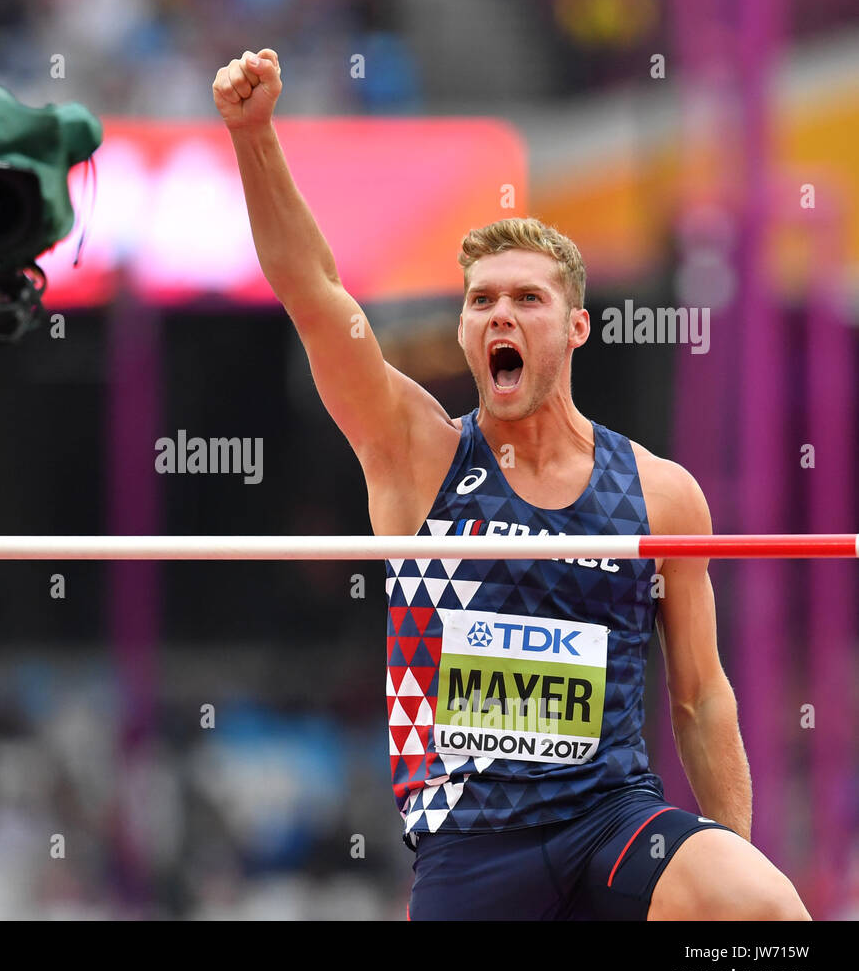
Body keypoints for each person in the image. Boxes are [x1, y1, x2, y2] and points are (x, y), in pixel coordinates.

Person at [213, 48, 810, 921]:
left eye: (525, 299)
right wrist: (255, 138)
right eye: (480, 299)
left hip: (613, 819)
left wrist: (723, 856)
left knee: (764, 914)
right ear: (462, 331)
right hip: (474, 841)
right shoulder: (414, 456)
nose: (499, 313)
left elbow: (700, 693)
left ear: (575, 327)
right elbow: (313, 293)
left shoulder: (661, 492)